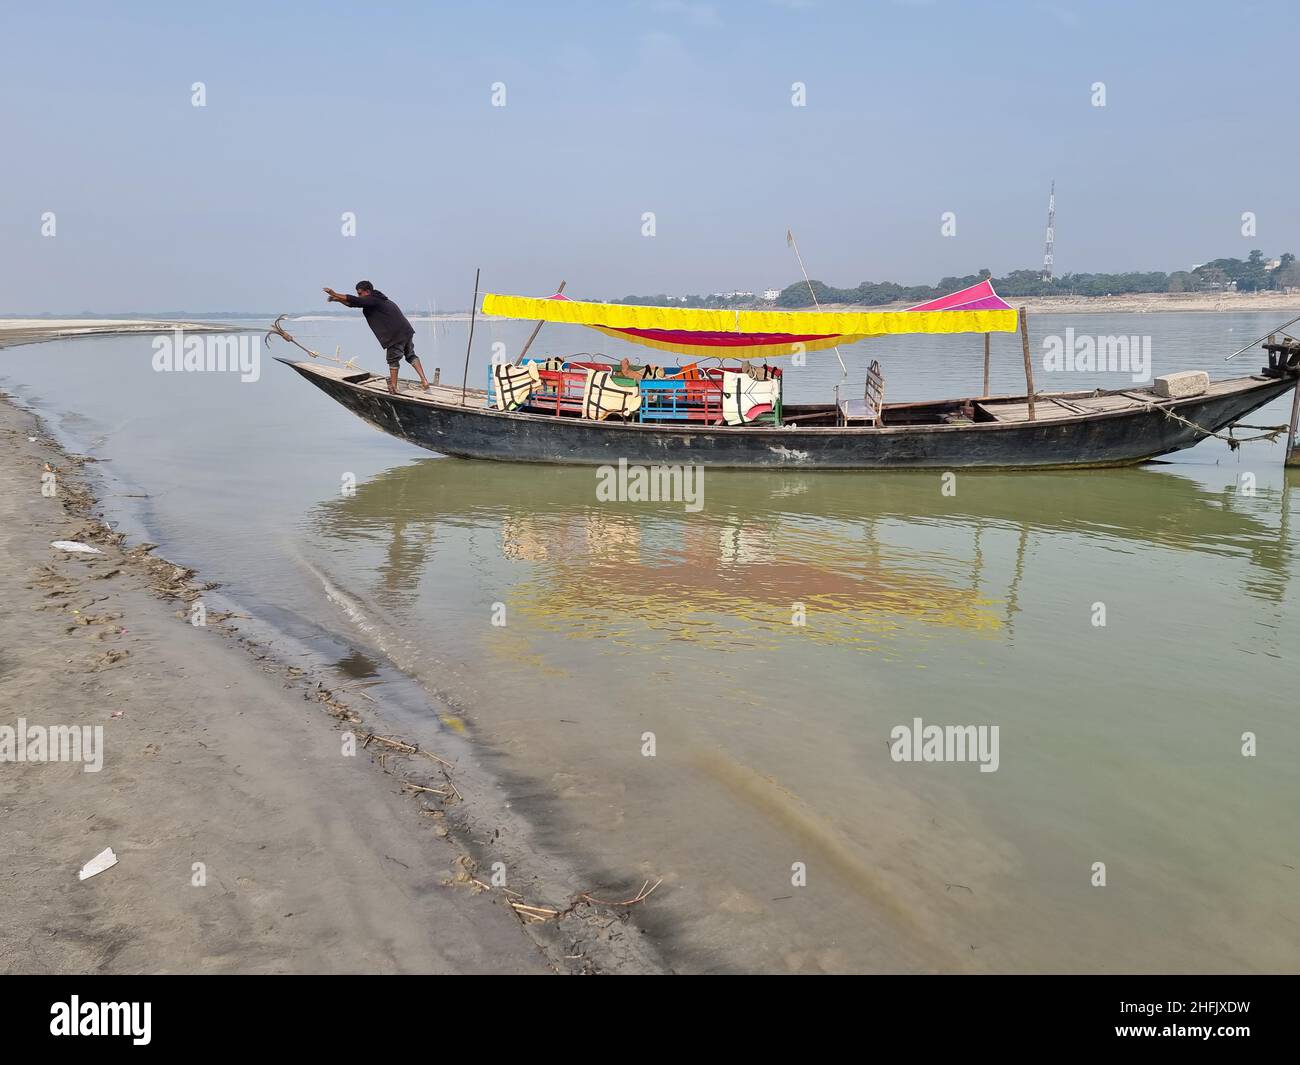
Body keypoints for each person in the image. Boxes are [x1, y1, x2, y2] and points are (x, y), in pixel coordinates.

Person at [323, 281, 430, 394]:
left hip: (395, 335)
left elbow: (355, 300)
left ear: (368, 291)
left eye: (360, 293)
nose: (359, 295)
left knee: (393, 361)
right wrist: (339, 299)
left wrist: (334, 293)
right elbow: (353, 304)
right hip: (406, 331)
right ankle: (424, 380)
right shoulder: (378, 299)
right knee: (410, 355)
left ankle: (393, 388)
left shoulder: (373, 299)